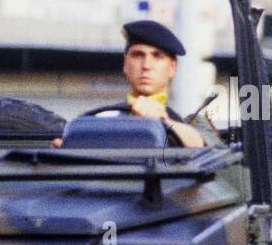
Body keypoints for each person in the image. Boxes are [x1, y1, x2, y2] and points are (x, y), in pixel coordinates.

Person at [55, 20, 211, 149]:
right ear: (125, 64)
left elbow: (203, 148)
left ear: (172, 68)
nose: (146, 65)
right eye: (138, 55)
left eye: (157, 56)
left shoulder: (190, 124)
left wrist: (162, 121)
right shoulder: (100, 119)